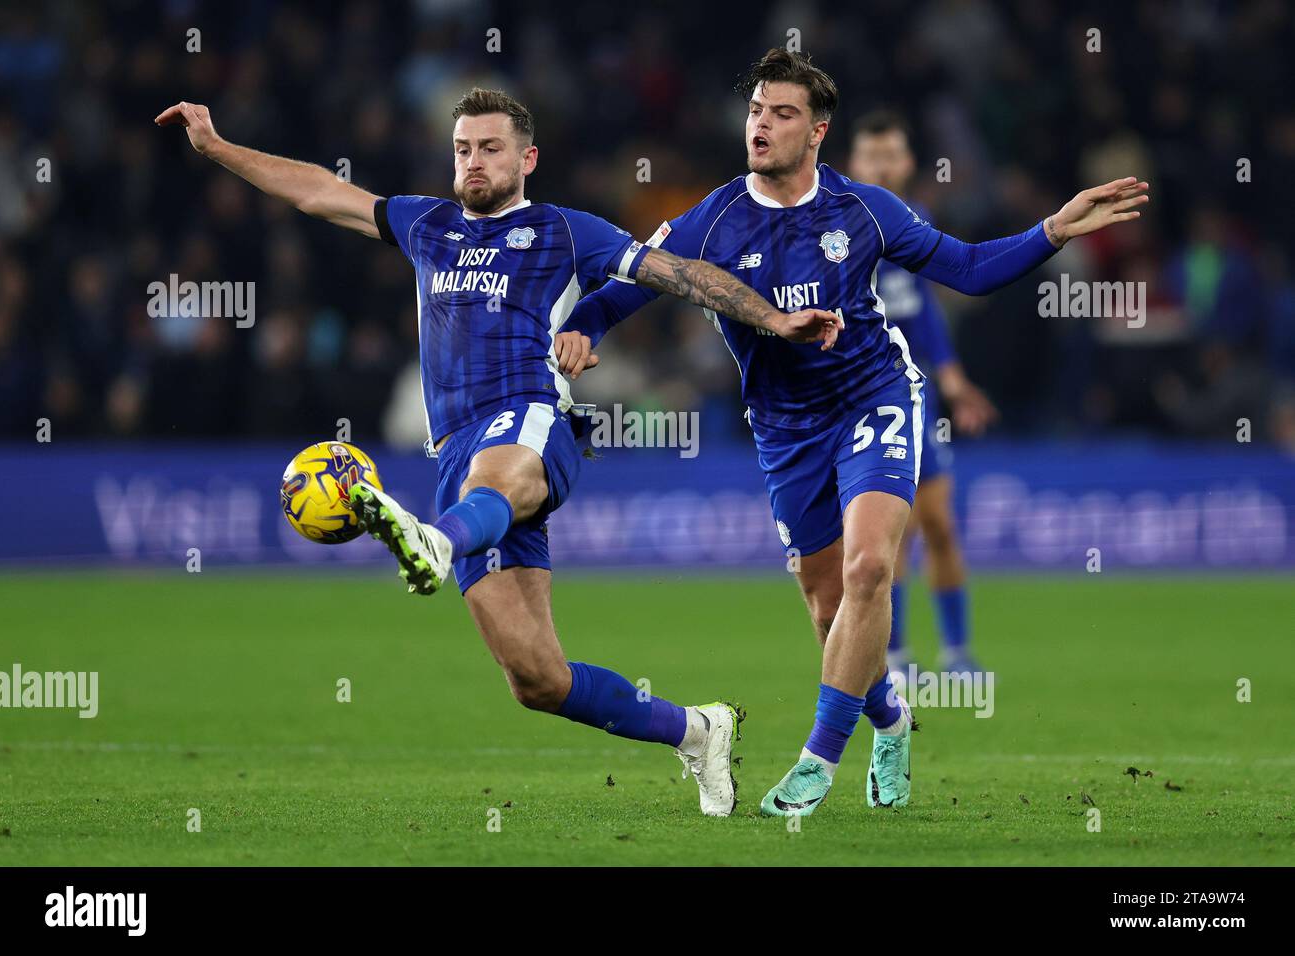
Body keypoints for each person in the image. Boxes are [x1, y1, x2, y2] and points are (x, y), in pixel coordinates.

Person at [156, 86, 841, 818]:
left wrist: (771, 317)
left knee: (494, 473)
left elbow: (676, 274)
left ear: (527, 157)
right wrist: (219, 148)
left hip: (531, 422)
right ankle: (698, 731)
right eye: (462, 149)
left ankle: (433, 540)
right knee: (536, 680)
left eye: (489, 148)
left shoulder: (564, 231)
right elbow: (322, 193)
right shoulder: (427, 225)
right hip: (457, 456)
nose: (473, 162)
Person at [557, 49, 1149, 815]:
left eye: (782, 114)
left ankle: (817, 761)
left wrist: (1052, 231)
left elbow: (968, 269)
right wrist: (581, 325)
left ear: (817, 131)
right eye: (755, 111)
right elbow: (627, 286)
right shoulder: (714, 218)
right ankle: (892, 721)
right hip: (785, 431)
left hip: (875, 401)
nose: (762, 125)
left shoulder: (865, 209)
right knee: (830, 609)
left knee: (873, 570)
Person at [848, 109, 998, 679]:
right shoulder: (839, 224)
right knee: (891, 532)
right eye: (872, 156)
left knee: (937, 522)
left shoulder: (918, 219)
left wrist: (953, 376)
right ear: (854, 163)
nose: (883, 166)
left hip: (918, 395)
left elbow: (923, 305)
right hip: (862, 394)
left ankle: (957, 654)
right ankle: (896, 653)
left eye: (892, 155)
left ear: (908, 162)